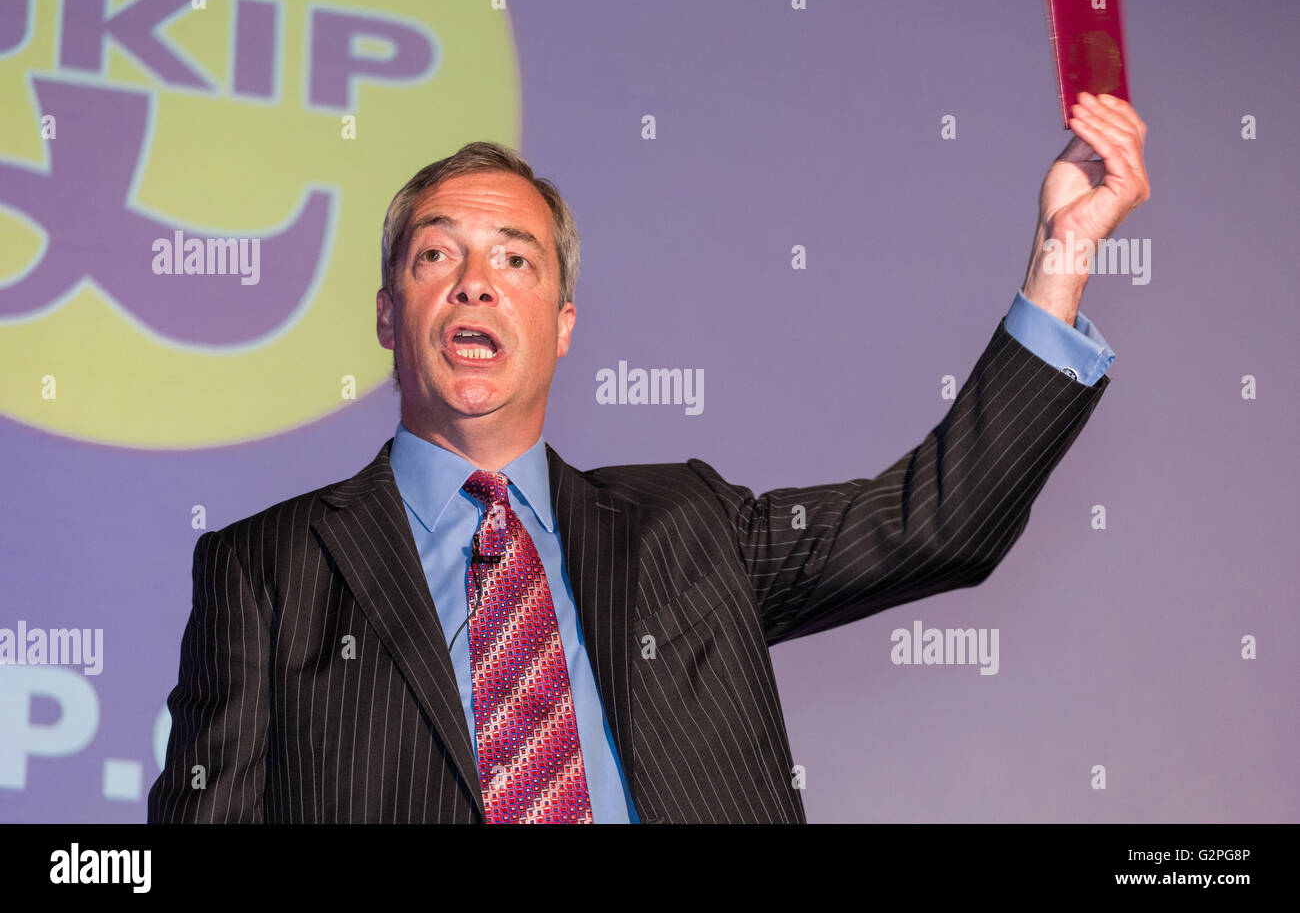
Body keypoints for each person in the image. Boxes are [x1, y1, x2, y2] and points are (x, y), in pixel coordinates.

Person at [147, 92, 1149, 823]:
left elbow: (940, 520)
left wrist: (1061, 250)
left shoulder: (687, 526)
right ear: (385, 314)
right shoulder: (264, 567)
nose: (473, 284)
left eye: (515, 260)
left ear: (564, 323)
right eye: (434, 254)